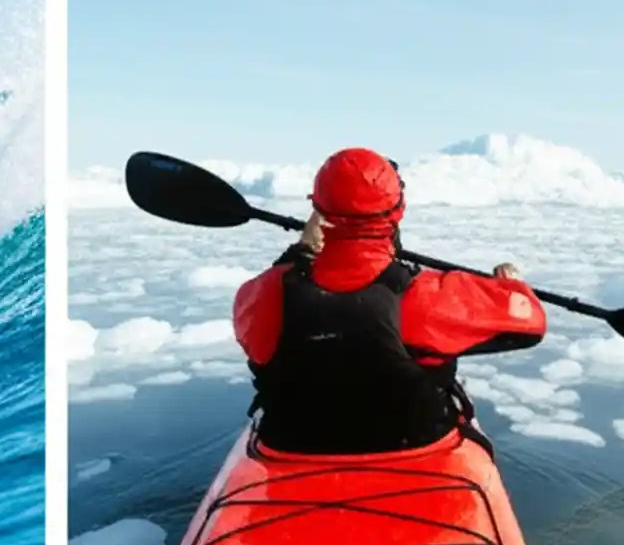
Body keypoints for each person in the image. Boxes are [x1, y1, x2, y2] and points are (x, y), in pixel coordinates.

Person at [233, 147, 546, 454]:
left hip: (291, 445)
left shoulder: (260, 294)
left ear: (317, 210)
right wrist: (512, 283)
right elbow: (530, 322)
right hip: (413, 447)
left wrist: (300, 252)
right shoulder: (427, 295)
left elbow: (268, 313)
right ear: (398, 210)